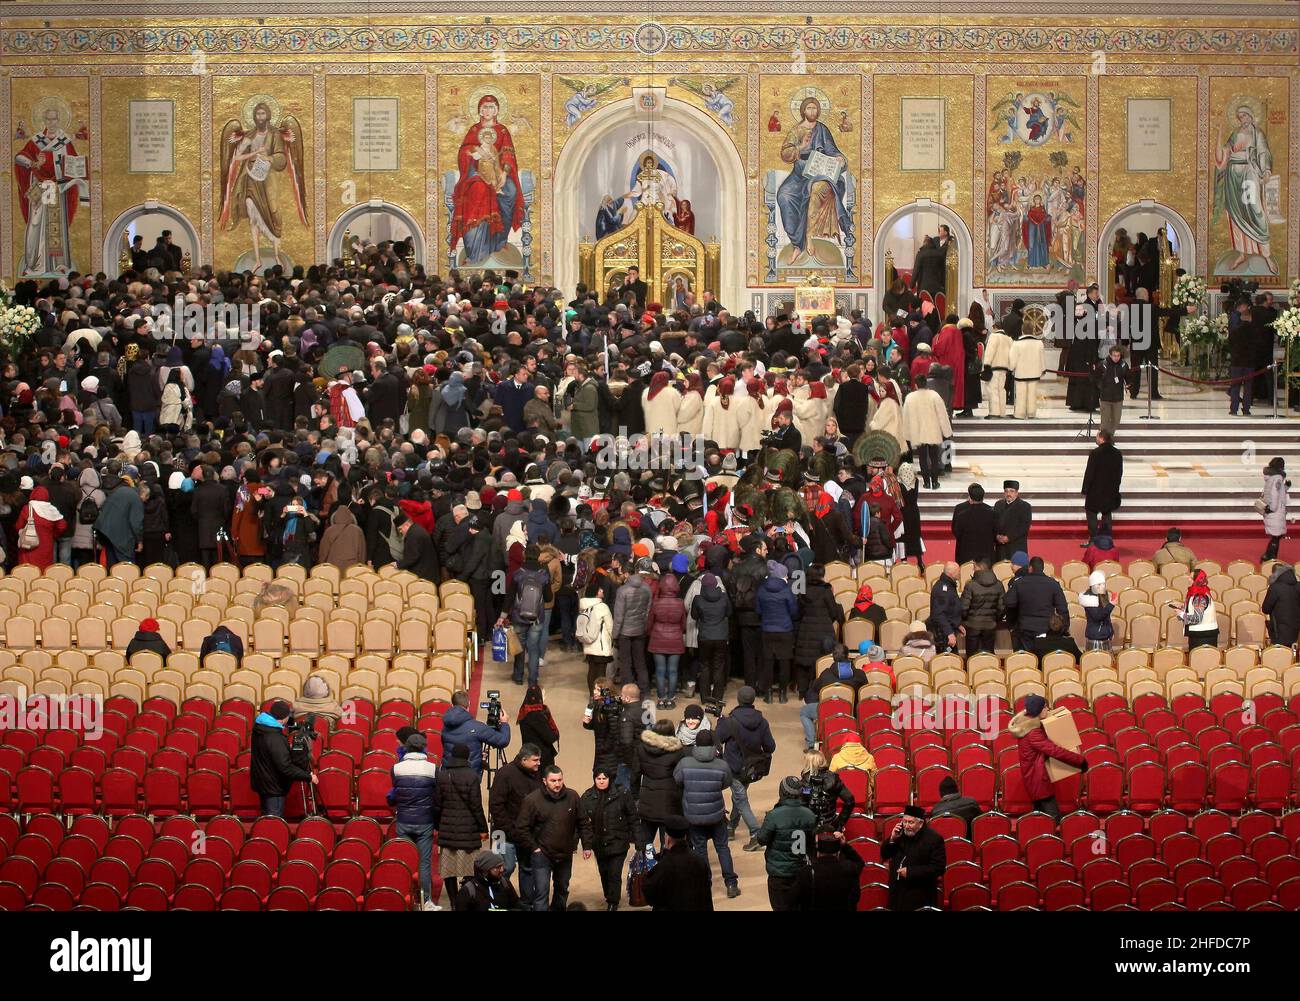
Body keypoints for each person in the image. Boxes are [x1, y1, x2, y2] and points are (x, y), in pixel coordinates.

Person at [673, 729, 740, 899]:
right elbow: (726, 783)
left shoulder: (685, 763)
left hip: (694, 817)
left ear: (696, 743)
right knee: (723, 848)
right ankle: (731, 883)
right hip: (716, 815)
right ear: (713, 744)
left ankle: (705, 884)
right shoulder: (721, 765)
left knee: (700, 851)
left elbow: (677, 780)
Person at [516, 765, 593, 912]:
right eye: (553, 780)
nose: (557, 784)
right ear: (544, 781)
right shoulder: (532, 800)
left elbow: (583, 822)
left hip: (565, 854)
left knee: (562, 889)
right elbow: (521, 828)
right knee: (541, 893)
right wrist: (534, 848)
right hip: (542, 855)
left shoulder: (572, 797)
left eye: (560, 780)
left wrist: (587, 845)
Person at [1008, 694, 1088, 821]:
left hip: (1034, 777)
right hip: (1038, 779)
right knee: (1054, 818)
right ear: (1038, 710)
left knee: (1039, 817)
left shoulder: (1027, 726)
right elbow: (1054, 751)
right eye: (1045, 706)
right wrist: (1080, 760)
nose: (1048, 709)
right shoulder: (1033, 733)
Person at [716, 685, 776, 851]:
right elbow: (770, 746)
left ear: (738, 700)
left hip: (734, 769)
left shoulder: (729, 721)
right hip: (752, 769)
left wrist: (720, 722)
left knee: (741, 799)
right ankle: (730, 828)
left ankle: (755, 833)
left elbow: (717, 739)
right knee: (739, 796)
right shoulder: (762, 721)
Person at [389, 731, 442, 910]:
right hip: (425, 822)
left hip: (403, 821)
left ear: (406, 747)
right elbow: (437, 795)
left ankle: (401, 898)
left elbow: (395, 792)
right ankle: (425, 901)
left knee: (403, 862)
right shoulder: (432, 768)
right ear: (424, 748)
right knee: (424, 863)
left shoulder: (396, 768)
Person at [487, 743, 543, 903]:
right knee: (503, 868)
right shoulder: (505, 774)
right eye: (535, 760)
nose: (538, 763)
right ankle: (496, 900)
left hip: (527, 834)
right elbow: (496, 806)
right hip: (503, 834)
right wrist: (510, 830)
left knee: (527, 869)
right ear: (524, 760)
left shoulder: (536, 774)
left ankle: (526, 903)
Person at [579, 764, 639, 910]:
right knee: (604, 873)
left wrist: (639, 841)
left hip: (618, 841)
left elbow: (633, 818)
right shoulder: (587, 797)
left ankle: (613, 902)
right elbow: (584, 825)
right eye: (598, 778)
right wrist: (586, 846)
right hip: (599, 844)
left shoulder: (622, 794)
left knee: (614, 874)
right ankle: (609, 896)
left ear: (610, 779)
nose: (601, 781)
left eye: (604, 778)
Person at [435, 741, 488, 908]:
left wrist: (438, 825)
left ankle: (453, 903)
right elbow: (476, 806)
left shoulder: (443, 775)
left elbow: (437, 804)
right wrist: (483, 828)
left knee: (448, 871)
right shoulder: (472, 775)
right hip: (469, 832)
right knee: (469, 870)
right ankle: (466, 902)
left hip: (448, 831)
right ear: (467, 757)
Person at [755, 775, 817, 911]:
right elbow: (811, 842)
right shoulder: (810, 815)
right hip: (801, 871)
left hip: (779, 874)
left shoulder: (774, 815)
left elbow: (761, 839)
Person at [249, 699, 316, 817]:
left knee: (266, 821)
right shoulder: (275, 737)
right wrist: (308, 776)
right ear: (285, 718)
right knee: (273, 823)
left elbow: (270, 752)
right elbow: (285, 767)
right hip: (274, 788)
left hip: (263, 783)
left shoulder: (261, 727)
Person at [501, 544, 554, 686]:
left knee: (520, 647)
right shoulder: (543, 575)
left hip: (519, 616)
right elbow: (548, 598)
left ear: (525, 555)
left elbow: (510, 597)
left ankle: (518, 676)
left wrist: (502, 616)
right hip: (537, 618)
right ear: (538, 556)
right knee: (534, 648)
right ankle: (533, 680)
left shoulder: (518, 574)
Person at [801, 644, 869, 749]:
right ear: (848, 655)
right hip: (851, 713)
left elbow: (814, 689)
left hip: (828, 712)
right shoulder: (860, 675)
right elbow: (865, 693)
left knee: (804, 712)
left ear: (833, 657)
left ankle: (811, 744)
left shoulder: (825, 675)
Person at [881, 805, 946, 910]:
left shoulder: (934, 839)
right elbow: (884, 854)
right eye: (904, 821)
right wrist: (892, 839)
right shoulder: (900, 834)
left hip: (920, 894)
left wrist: (910, 872)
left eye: (910, 822)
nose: (906, 826)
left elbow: (938, 868)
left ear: (920, 823)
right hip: (897, 893)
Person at [635, 719, 685, 850]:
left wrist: (635, 798)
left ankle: (644, 868)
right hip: (668, 803)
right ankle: (665, 868)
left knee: (645, 843)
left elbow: (634, 775)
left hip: (647, 800)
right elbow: (681, 779)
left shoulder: (641, 748)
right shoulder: (678, 752)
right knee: (668, 844)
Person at [440, 690, 512, 779]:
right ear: (468, 704)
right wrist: (504, 723)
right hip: (470, 778)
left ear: (452, 705)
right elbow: (502, 740)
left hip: (447, 776)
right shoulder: (477, 727)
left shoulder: (445, 726)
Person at [756, 560, 800, 704]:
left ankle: (768, 694)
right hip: (785, 630)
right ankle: (782, 694)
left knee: (768, 663)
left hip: (767, 630)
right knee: (784, 663)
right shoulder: (787, 590)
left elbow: (758, 609)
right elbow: (794, 611)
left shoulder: (762, 589)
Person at [642, 825, 714, 911]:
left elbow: (650, 895)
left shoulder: (664, 865)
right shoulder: (700, 861)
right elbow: (707, 896)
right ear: (685, 836)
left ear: (667, 839)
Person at [900, 374, 952, 489]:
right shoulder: (934, 396)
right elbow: (942, 415)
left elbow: (906, 417)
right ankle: (935, 482)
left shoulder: (910, 397)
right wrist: (947, 432)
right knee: (934, 457)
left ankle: (926, 482)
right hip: (933, 431)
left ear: (916, 385)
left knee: (922, 458)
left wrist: (906, 434)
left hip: (918, 432)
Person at [1004, 556, 1068, 650]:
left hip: (1025, 628)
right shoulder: (1053, 584)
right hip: (1047, 629)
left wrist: (1013, 625)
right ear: (1042, 568)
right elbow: (1062, 608)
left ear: (1030, 568)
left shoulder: (1019, 583)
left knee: (1027, 661)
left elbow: (1009, 603)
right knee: (1044, 660)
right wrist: (1064, 628)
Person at [792, 830, 865, 911]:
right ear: (838, 853)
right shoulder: (849, 869)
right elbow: (859, 862)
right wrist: (845, 845)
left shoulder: (806, 872)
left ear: (818, 853)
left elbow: (792, 900)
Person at [646, 570, 686, 709]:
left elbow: (649, 622)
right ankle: (670, 699)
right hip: (675, 638)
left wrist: (652, 634)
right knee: (673, 671)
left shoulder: (656, 603)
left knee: (660, 670)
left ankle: (661, 698)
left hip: (657, 638)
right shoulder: (680, 603)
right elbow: (683, 625)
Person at [690, 572, 732, 704]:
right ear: (715, 584)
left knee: (705, 666)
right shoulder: (724, 597)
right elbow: (729, 613)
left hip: (705, 636)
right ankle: (718, 697)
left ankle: (705, 697)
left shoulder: (698, 599)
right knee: (719, 666)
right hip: (721, 636)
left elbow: (694, 616)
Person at [1081, 429, 1123, 542]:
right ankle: (1107, 539)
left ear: (1101, 438)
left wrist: (1085, 489)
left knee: (1091, 513)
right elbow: (1119, 473)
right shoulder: (1117, 454)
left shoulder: (1095, 453)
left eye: (1097, 437)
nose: (1096, 439)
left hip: (1095, 491)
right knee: (1107, 513)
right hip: (1110, 490)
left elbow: (1089, 473)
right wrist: (1116, 488)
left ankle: (1093, 539)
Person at [799, 748, 854, 832]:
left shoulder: (805, 781)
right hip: (831, 825)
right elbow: (850, 800)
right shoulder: (834, 778)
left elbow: (802, 806)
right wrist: (839, 823)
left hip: (810, 828)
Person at [960, 558, 1004, 655]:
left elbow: (963, 608)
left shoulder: (970, 585)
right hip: (990, 625)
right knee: (989, 657)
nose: (973, 569)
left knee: (972, 659)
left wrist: (965, 620)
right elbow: (1001, 608)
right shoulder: (999, 585)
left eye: (974, 567)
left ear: (978, 567)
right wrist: (995, 619)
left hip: (972, 625)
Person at [455, 850, 521, 911]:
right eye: (498, 867)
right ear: (485, 871)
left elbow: (516, 906)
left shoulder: (505, 884)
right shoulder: (468, 891)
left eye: (502, 866)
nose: (502, 870)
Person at [515, 685, 559, 770]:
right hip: (540, 758)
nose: (545, 697)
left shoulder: (525, 712)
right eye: (543, 695)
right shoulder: (536, 716)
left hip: (530, 754)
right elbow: (550, 737)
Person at [951, 483, 996, 565]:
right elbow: (995, 532)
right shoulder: (992, 513)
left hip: (966, 555)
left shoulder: (962, 515)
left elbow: (956, 532)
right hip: (986, 556)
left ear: (970, 498)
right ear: (983, 497)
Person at [1175, 568, 1220, 650]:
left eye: (1191, 578)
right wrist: (1183, 610)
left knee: (1200, 661)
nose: (1188, 579)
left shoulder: (1199, 596)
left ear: (1197, 580)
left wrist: (1181, 614)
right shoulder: (1198, 593)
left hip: (1203, 636)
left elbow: (1197, 618)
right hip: (1200, 634)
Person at [928, 560, 964, 654]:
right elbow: (939, 614)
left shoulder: (949, 586)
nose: (960, 573)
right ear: (951, 573)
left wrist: (957, 624)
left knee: (951, 654)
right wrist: (949, 633)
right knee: (947, 655)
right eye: (958, 571)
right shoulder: (942, 589)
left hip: (948, 631)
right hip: (943, 635)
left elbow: (951, 609)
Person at [1094, 343, 1130, 436]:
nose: (1116, 358)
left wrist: (1129, 384)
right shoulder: (1103, 365)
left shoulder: (1123, 365)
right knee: (1105, 421)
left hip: (1118, 398)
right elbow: (1095, 377)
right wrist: (1101, 386)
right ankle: (1104, 439)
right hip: (1105, 398)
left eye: (1118, 356)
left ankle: (1109, 436)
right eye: (1114, 355)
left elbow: (1128, 376)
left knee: (1116, 420)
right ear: (1110, 355)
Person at [1262, 561, 1300, 647]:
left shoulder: (1275, 588)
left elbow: (1265, 609)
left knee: (1280, 655)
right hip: (1297, 630)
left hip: (1279, 631)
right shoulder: (1298, 586)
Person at [992, 480, 1032, 560]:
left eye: (1011, 491)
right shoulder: (998, 504)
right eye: (1006, 491)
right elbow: (993, 523)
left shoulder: (1025, 506)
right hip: (1000, 547)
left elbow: (1024, 527)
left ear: (1017, 492)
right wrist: (996, 536)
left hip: (1016, 547)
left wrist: (1008, 537)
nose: (1008, 494)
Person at [1260, 456, 1290, 562]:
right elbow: (1274, 494)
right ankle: (1270, 558)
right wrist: (1272, 509)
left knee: (1276, 536)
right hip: (1276, 511)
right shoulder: (1277, 477)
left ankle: (1268, 556)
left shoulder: (1272, 477)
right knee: (1276, 536)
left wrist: (1286, 487)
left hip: (1273, 510)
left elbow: (1277, 492)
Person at [1079, 570, 1115, 652]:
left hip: (1105, 637)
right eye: (1099, 584)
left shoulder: (1103, 595)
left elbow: (1106, 617)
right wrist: (1111, 605)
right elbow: (1098, 616)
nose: (1102, 586)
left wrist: (1111, 631)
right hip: (1095, 637)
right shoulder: (1089, 599)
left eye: (1103, 584)